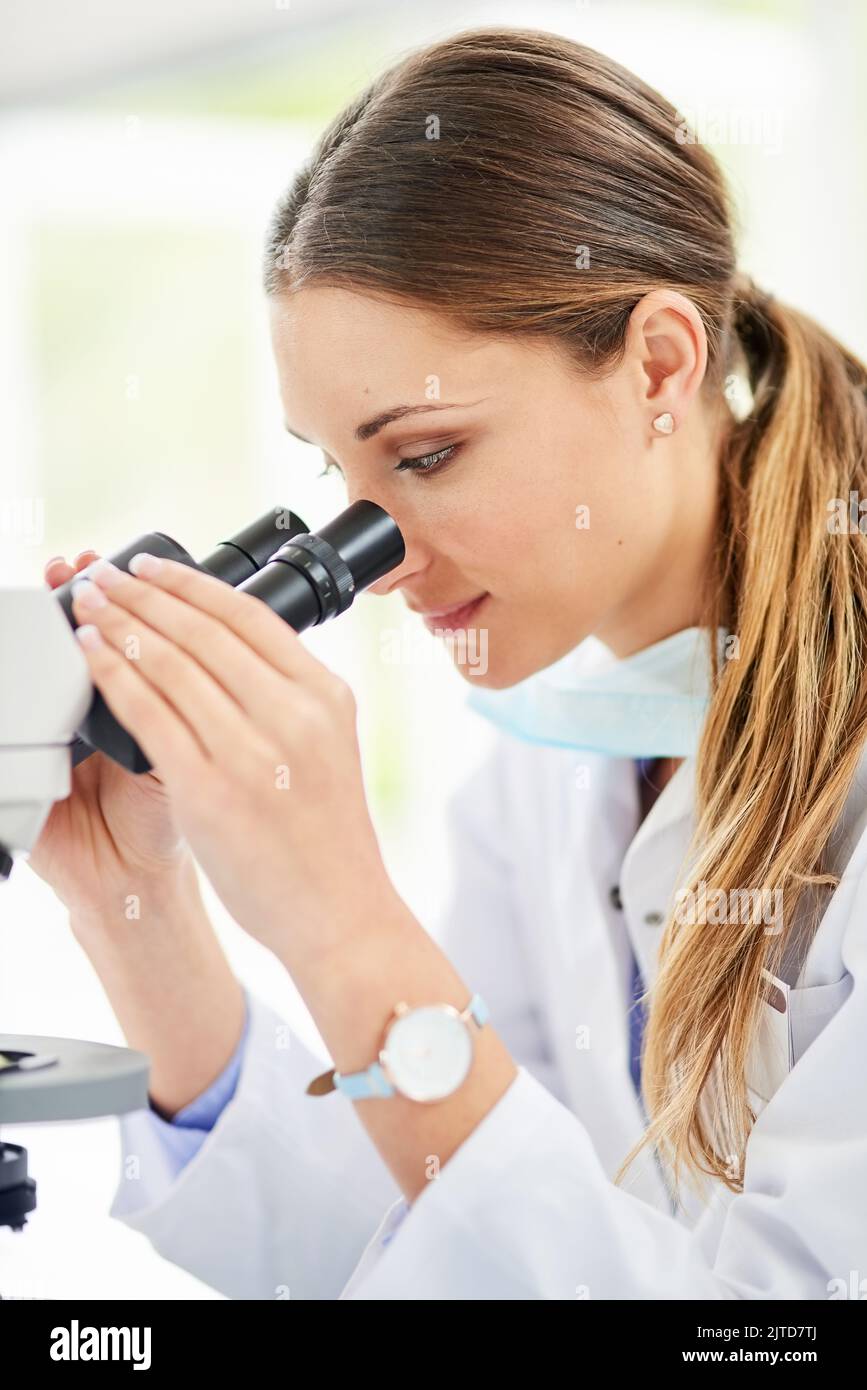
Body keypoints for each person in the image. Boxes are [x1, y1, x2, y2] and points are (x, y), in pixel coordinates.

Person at [30, 27, 867, 1299]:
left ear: (658, 362)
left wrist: (342, 918)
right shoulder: (545, 773)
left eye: (422, 457)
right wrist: (129, 901)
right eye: (337, 479)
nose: (375, 561)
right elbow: (437, 1242)